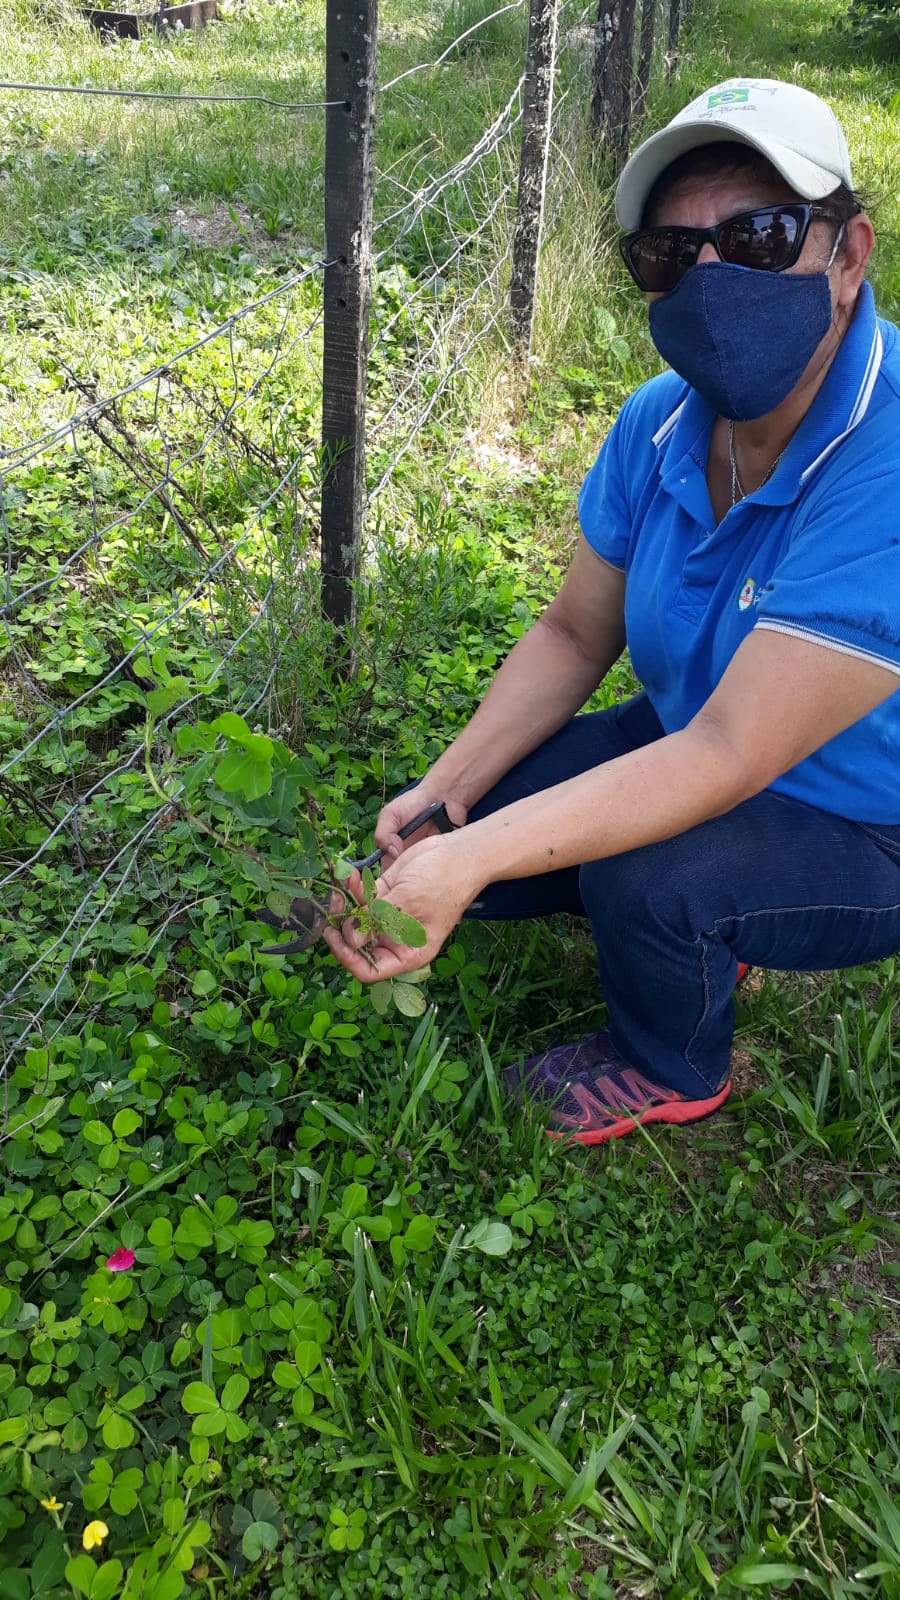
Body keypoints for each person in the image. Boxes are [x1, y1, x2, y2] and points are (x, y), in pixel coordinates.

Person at [323, 77, 900, 1145]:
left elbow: (731, 750)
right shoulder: (660, 424)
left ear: (849, 252)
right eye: (671, 256)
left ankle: (669, 1060)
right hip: (694, 731)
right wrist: (449, 798)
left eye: (762, 235)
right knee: (479, 825)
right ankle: (627, 882)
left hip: (867, 819)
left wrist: (480, 855)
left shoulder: (890, 458)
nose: (712, 278)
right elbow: (574, 632)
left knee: (644, 870)